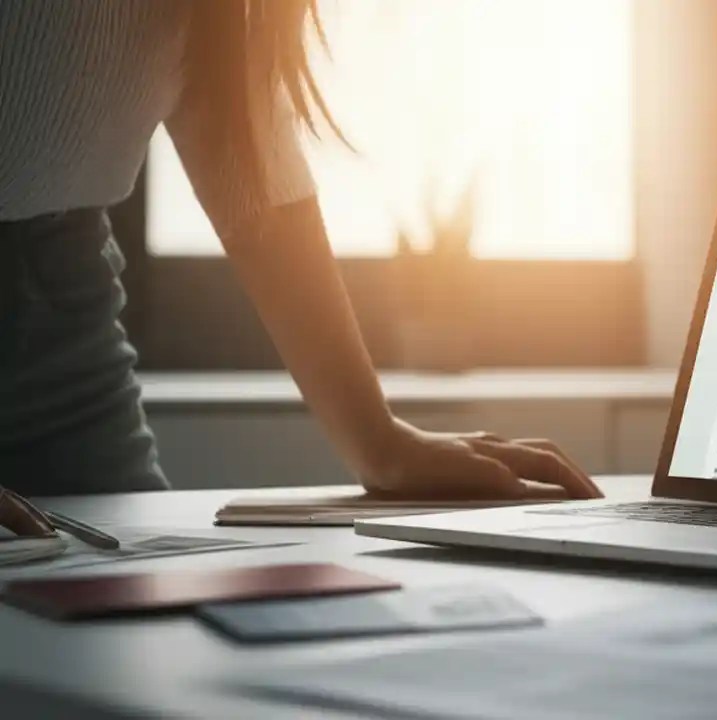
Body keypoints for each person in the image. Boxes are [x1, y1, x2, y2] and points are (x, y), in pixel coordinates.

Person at [0, 1, 601, 501]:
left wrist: (379, 442)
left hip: (62, 330)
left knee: (126, 614)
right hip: (55, 313)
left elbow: (247, 155)